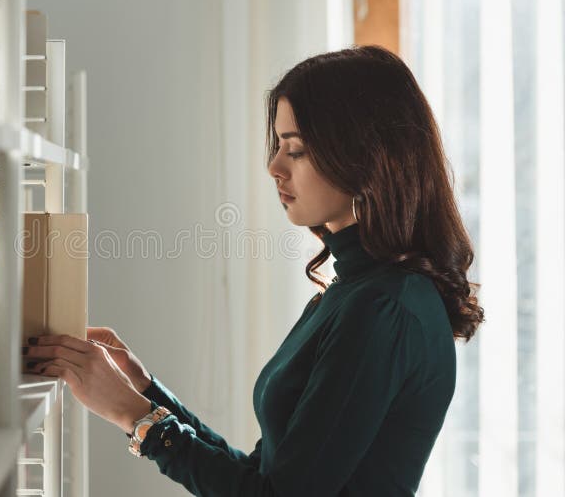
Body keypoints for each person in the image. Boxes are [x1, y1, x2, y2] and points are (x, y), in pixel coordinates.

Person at [25, 45, 485, 496]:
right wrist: (145, 392)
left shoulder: (383, 307)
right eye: (279, 146)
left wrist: (135, 415)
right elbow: (261, 478)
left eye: (297, 150)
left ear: (366, 157)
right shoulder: (355, 293)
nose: (274, 167)